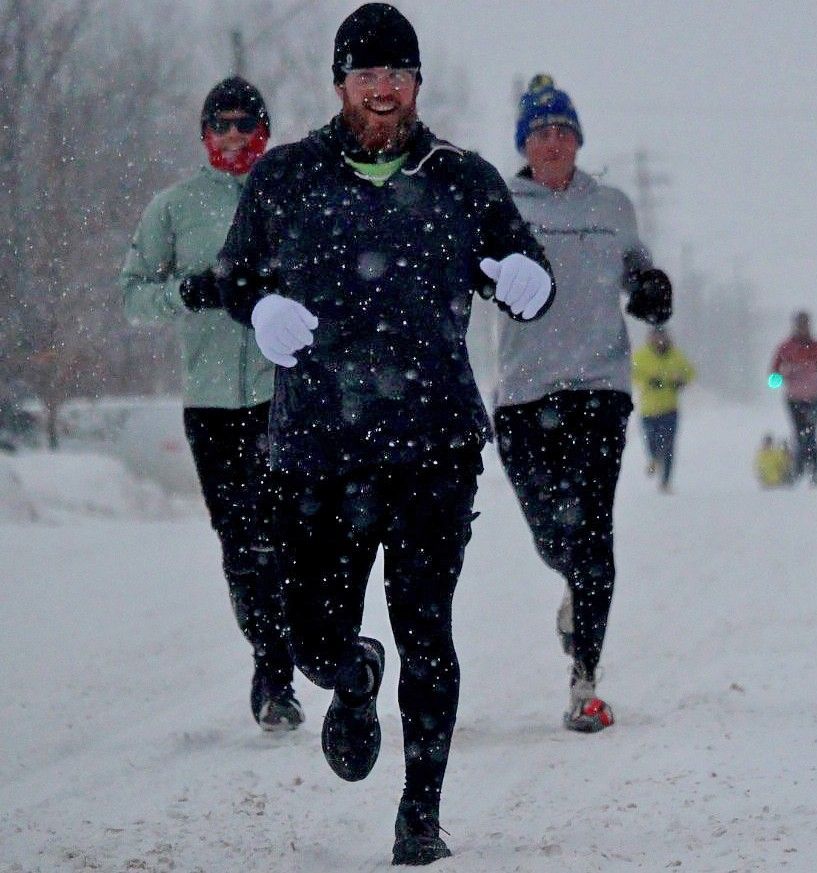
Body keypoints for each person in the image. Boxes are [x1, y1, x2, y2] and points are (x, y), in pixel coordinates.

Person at [217, 5, 554, 865]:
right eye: (365, 74)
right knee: (309, 637)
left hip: (434, 442)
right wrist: (261, 308)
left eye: (396, 73)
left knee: (426, 624)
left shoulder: (462, 179)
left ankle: (420, 814)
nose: (381, 89)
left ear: (415, 84)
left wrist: (526, 278)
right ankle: (351, 673)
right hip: (318, 445)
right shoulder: (288, 177)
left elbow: (523, 276)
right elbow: (234, 275)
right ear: (339, 84)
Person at [120, 77, 303, 733]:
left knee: (290, 535)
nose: (232, 136)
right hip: (210, 404)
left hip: (282, 394)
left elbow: (329, 280)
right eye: (220, 125)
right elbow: (133, 294)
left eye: (244, 124)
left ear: (264, 132)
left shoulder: (290, 193)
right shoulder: (174, 207)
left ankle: (302, 653)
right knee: (239, 543)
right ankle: (271, 667)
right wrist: (188, 292)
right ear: (204, 134)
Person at [492, 75, 672, 734]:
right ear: (524, 143)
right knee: (552, 534)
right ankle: (574, 588)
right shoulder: (500, 203)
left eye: (564, 130)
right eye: (541, 131)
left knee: (594, 532)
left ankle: (584, 681)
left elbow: (639, 272)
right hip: (524, 393)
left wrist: (652, 289)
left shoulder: (613, 205)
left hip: (599, 390)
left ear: (578, 139)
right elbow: (465, 274)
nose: (554, 141)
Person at [769, 311, 817, 485]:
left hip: (814, 396)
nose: (803, 328)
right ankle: (799, 468)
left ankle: (813, 471)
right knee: (800, 433)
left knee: (811, 433)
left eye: (805, 324)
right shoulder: (786, 348)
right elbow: (774, 370)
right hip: (794, 398)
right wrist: (783, 375)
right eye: (800, 324)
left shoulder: (816, 346)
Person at [632, 326, 695, 493]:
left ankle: (665, 482)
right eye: (656, 337)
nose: (659, 340)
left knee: (668, 444)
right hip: (648, 409)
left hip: (669, 408)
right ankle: (653, 459)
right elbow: (633, 374)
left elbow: (690, 372)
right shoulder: (641, 355)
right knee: (650, 440)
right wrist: (648, 381)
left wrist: (681, 381)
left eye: (662, 337)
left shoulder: (675, 355)